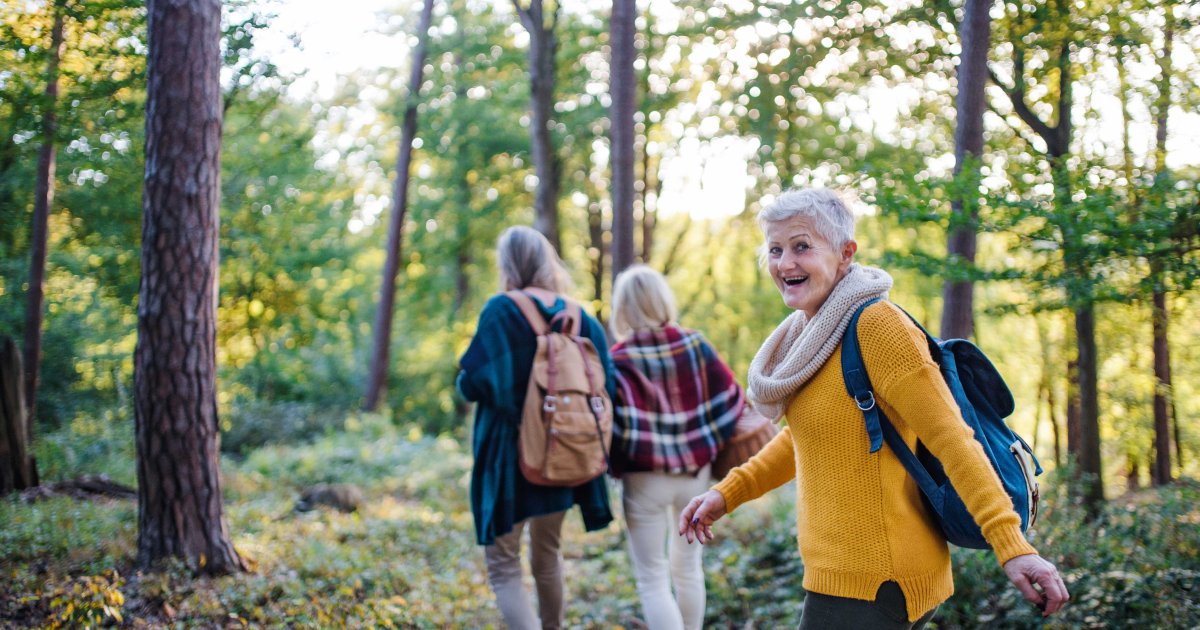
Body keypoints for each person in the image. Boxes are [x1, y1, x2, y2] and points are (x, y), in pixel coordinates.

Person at [678, 188, 1069, 629]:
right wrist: (727, 492)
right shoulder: (814, 335)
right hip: (846, 575)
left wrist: (1011, 545)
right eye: (776, 249)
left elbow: (953, 439)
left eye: (802, 246)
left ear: (846, 253)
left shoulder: (877, 326)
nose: (785, 263)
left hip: (874, 579)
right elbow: (807, 435)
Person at [457, 225, 616, 630]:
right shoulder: (580, 315)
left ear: (507, 264)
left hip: (508, 457)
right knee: (548, 556)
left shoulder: (501, 310)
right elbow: (608, 384)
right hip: (566, 452)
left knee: (504, 564)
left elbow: (472, 382)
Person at [608, 265, 745, 630]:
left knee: (652, 579)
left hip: (644, 479)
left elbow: (610, 425)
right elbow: (732, 399)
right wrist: (706, 441)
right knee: (688, 568)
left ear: (623, 308)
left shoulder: (618, 359)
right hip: (694, 474)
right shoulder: (695, 345)